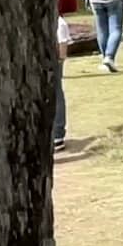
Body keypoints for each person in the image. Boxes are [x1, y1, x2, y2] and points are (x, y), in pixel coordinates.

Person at [53, 9, 71, 150]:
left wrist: (60, 59)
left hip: (53, 60)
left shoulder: (59, 22)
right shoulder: (60, 21)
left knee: (56, 93)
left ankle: (58, 133)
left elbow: (62, 46)